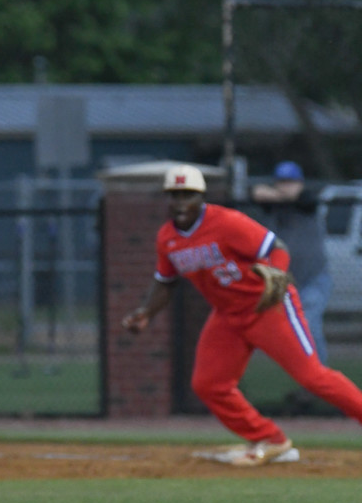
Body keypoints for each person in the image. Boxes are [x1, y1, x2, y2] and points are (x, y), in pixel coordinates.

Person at [121, 164, 362, 466]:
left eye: (188, 195)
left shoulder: (227, 222)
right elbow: (164, 282)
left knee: (313, 377)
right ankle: (271, 440)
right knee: (209, 384)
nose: (181, 202)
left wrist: (276, 272)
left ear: (201, 197)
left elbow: (277, 247)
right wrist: (145, 312)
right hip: (228, 316)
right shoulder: (167, 238)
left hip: (268, 306)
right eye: (174, 195)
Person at [250, 161, 332, 363]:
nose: (286, 186)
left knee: (309, 326)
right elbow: (257, 192)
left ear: (301, 183)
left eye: (291, 182)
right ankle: (311, 384)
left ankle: (322, 382)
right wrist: (279, 198)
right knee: (292, 334)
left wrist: (282, 196)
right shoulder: (274, 207)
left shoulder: (308, 201)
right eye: (282, 182)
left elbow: (303, 199)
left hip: (314, 279)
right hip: (286, 283)